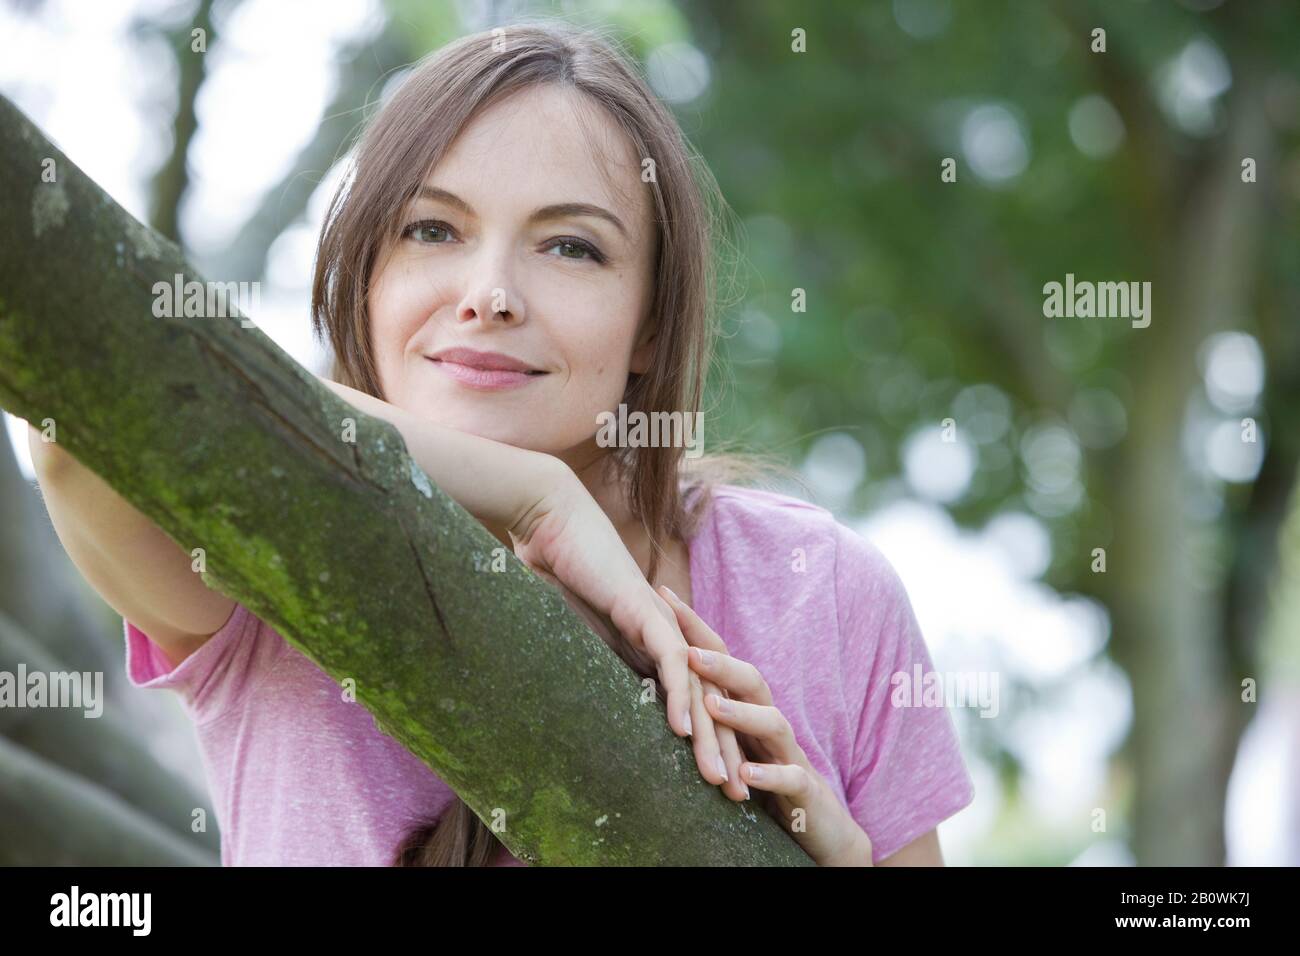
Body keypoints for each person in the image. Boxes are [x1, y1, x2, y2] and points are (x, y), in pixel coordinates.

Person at [29, 19, 973, 866]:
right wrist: (533, 496)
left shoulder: (819, 593)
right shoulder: (271, 542)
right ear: (367, 280)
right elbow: (71, 407)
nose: (490, 293)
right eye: (432, 230)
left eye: (571, 247)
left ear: (651, 323)